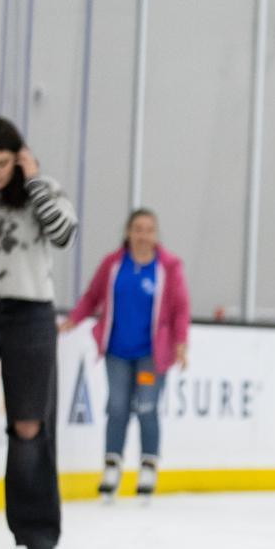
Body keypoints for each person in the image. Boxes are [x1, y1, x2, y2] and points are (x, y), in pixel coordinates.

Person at [0, 117, 77, 549]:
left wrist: (31, 178)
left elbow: (64, 234)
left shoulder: (43, 191)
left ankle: (36, 529)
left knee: (29, 424)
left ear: (19, 158)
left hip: (30, 313)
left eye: (2, 163)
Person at [61, 209, 191, 499]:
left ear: (155, 234)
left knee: (146, 407)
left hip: (151, 353)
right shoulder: (113, 264)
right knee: (117, 407)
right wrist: (73, 319)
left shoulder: (168, 267)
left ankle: (148, 465)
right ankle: (112, 465)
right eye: (137, 229)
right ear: (128, 232)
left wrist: (181, 343)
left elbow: (180, 308)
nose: (142, 235)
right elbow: (92, 296)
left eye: (148, 229)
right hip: (117, 351)